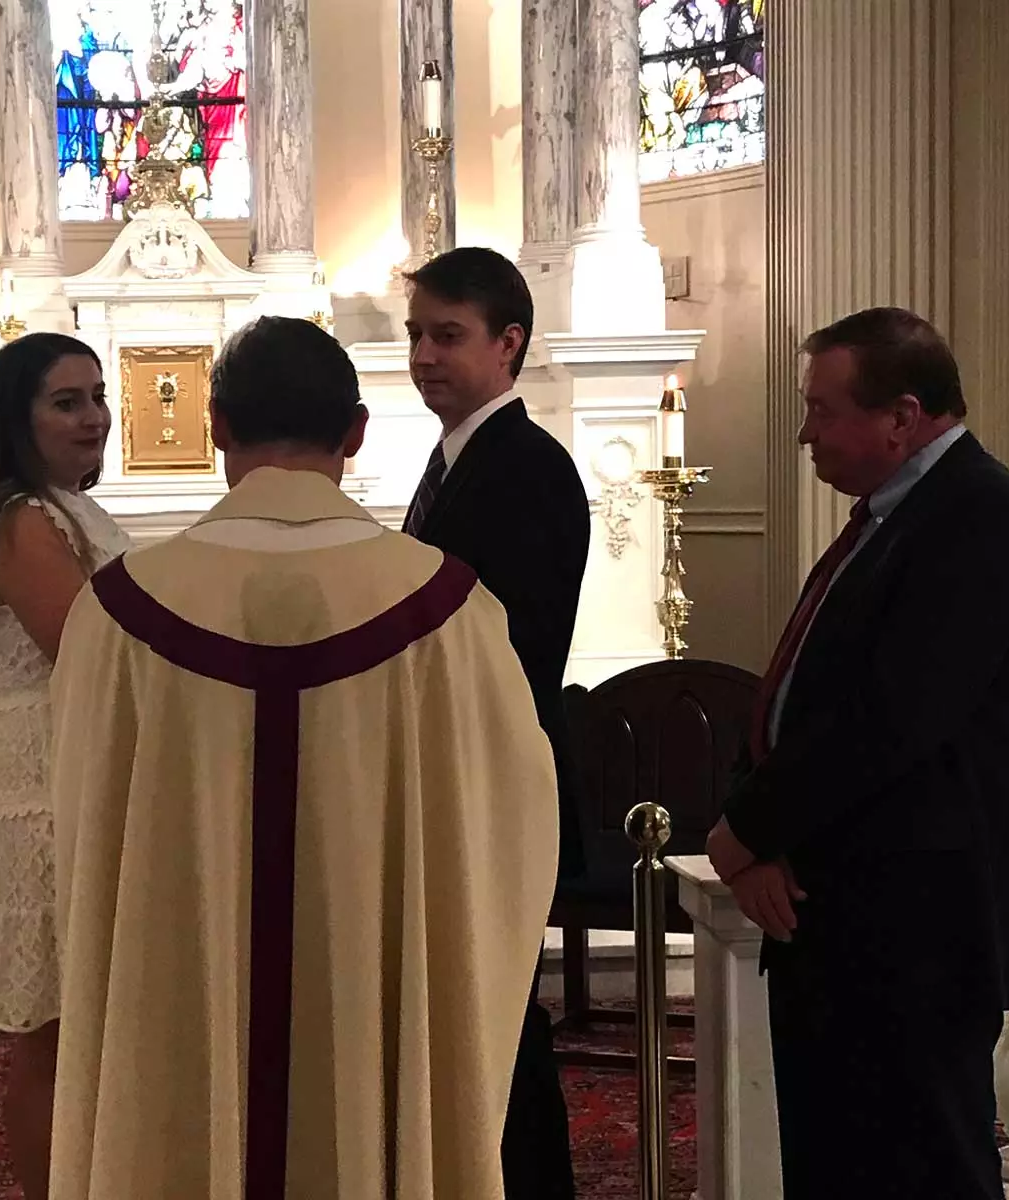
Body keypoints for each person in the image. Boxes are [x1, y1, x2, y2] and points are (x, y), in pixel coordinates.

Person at [47, 316, 559, 1199]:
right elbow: (512, 821)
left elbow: (87, 834)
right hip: (374, 1014)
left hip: (182, 1001)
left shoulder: (119, 612)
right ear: (356, 434)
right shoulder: (447, 610)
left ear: (216, 431)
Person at [706, 307, 1009, 1199]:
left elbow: (894, 717)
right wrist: (764, 838)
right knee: (839, 1159)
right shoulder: (894, 516)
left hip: (918, 922)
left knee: (927, 1164)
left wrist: (747, 827)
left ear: (902, 415)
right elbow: (797, 697)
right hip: (841, 910)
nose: (805, 433)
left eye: (823, 411)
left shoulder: (979, 513)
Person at [402, 245, 589, 1198]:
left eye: (448, 335)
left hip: (489, 771)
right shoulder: (457, 462)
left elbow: (499, 645)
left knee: (501, 1014)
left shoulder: (526, 468)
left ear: (509, 343)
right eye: (416, 336)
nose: (426, 355)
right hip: (453, 770)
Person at [0, 332, 132, 1200]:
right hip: (51, 780)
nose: (93, 416)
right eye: (67, 401)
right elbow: (90, 646)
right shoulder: (22, 518)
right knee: (55, 1022)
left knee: (96, 1011)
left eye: (97, 396)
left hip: (87, 765)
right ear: (17, 419)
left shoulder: (69, 509)